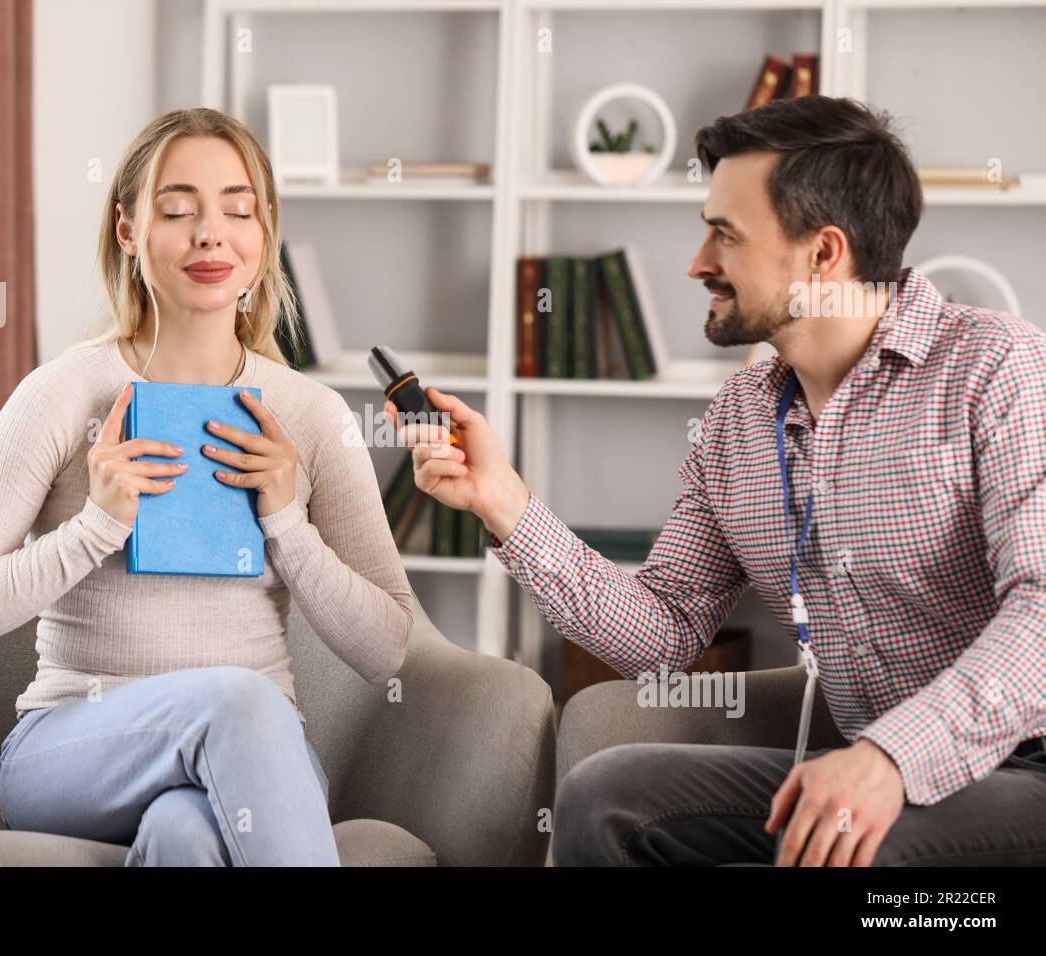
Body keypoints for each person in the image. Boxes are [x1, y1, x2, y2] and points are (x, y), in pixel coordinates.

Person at [390, 95, 1046, 866]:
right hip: (862, 778)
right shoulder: (740, 418)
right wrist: (503, 502)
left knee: (864, 854)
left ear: (822, 254)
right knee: (609, 796)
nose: (698, 263)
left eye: (725, 235)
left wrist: (892, 759)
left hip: (1020, 766)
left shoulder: (995, 367)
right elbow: (664, 633)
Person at [0, 107, 414, 866]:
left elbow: (386, 649)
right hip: (70, 750)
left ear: (263, 230)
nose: (211, 233)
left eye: (239, 210)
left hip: (254, 751)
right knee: (237, 699)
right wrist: (94, 529)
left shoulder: (310, 416)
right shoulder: (62, 393)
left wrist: (289, 524)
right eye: (178, 210)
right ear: (128, 230)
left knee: (186, 833)